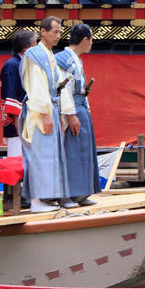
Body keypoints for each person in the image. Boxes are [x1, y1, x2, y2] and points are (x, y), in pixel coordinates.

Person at [19, 16, 78, 213]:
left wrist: (64, 112)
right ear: (42, 32)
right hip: (39, 111)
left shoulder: (50, 55)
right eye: (55, 32)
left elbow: (59, 87)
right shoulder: (34, 55)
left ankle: (48, 196)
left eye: (60, 32)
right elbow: (36, 87)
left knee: (52, 155)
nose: (58, 36)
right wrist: (44, 113)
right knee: (40, 154)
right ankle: (36, 200)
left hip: (51, 107)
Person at [55, 22, 100, 206]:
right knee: (71, 152)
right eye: (91, 39)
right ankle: (68, 194)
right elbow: (63, 89)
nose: (91, 43)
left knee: (83, 152)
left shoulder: (75, 59)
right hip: (71, 109)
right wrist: (70, 114)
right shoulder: (63, 59)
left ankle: (82, 194)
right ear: (84, 40)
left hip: (80, 108)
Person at [0, 27, 36, 160]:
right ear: (26, 47)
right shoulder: (12, 65)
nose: (37, 47)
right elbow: (11, 98)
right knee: (17, 162)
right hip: (19, 124)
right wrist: (18, 126)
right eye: (35, 43)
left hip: (29, 121)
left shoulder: (24, 64)